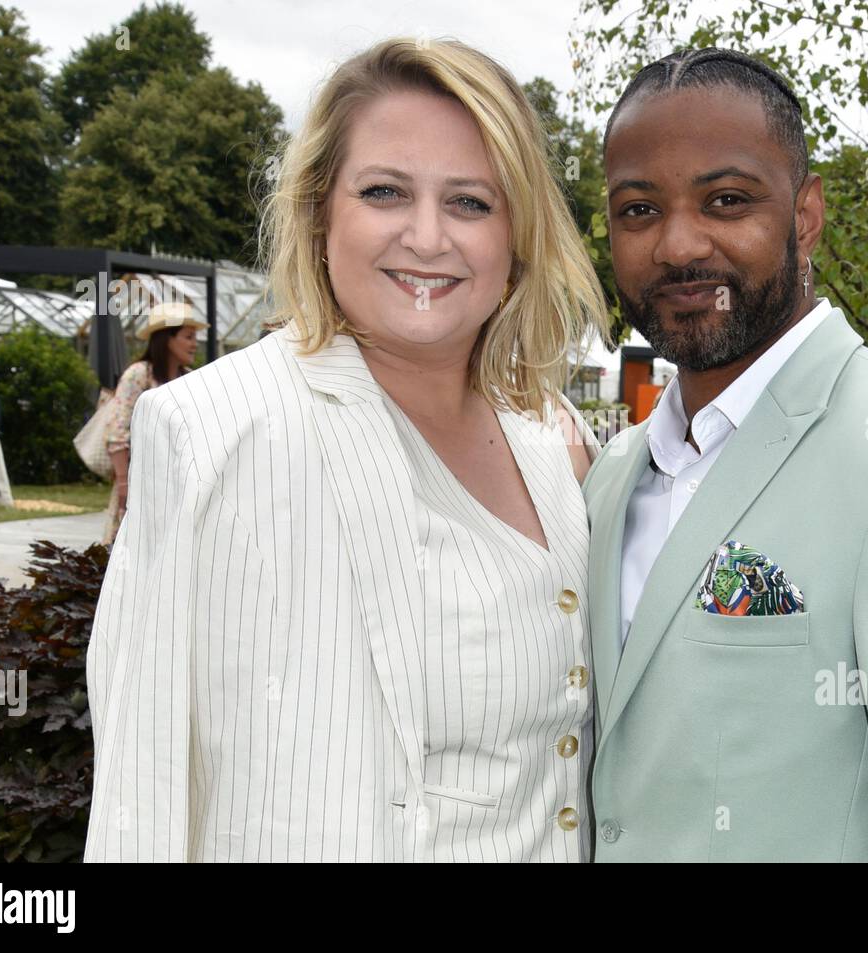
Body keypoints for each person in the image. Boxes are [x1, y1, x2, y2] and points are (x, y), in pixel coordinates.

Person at [84, 37, 608, 862]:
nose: (427, 237)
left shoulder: (554, 441)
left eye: (471, 201)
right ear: (321, 212)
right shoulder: (214, 429)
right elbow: (139, 788)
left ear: (516, 240)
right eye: (385, 191)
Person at [581, 48, 868, 861]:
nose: (678, 245)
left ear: (805, 215)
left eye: (726, 200)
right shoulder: (612, 476)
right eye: (639, 210)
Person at [99, 301, 206, 545]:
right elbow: (116, 430)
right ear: (167, 339)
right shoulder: (139, 374)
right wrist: (124, 482)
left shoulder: (189, 378)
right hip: (140, 483)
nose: (194, 343)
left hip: (178, 484)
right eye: (188, 336)